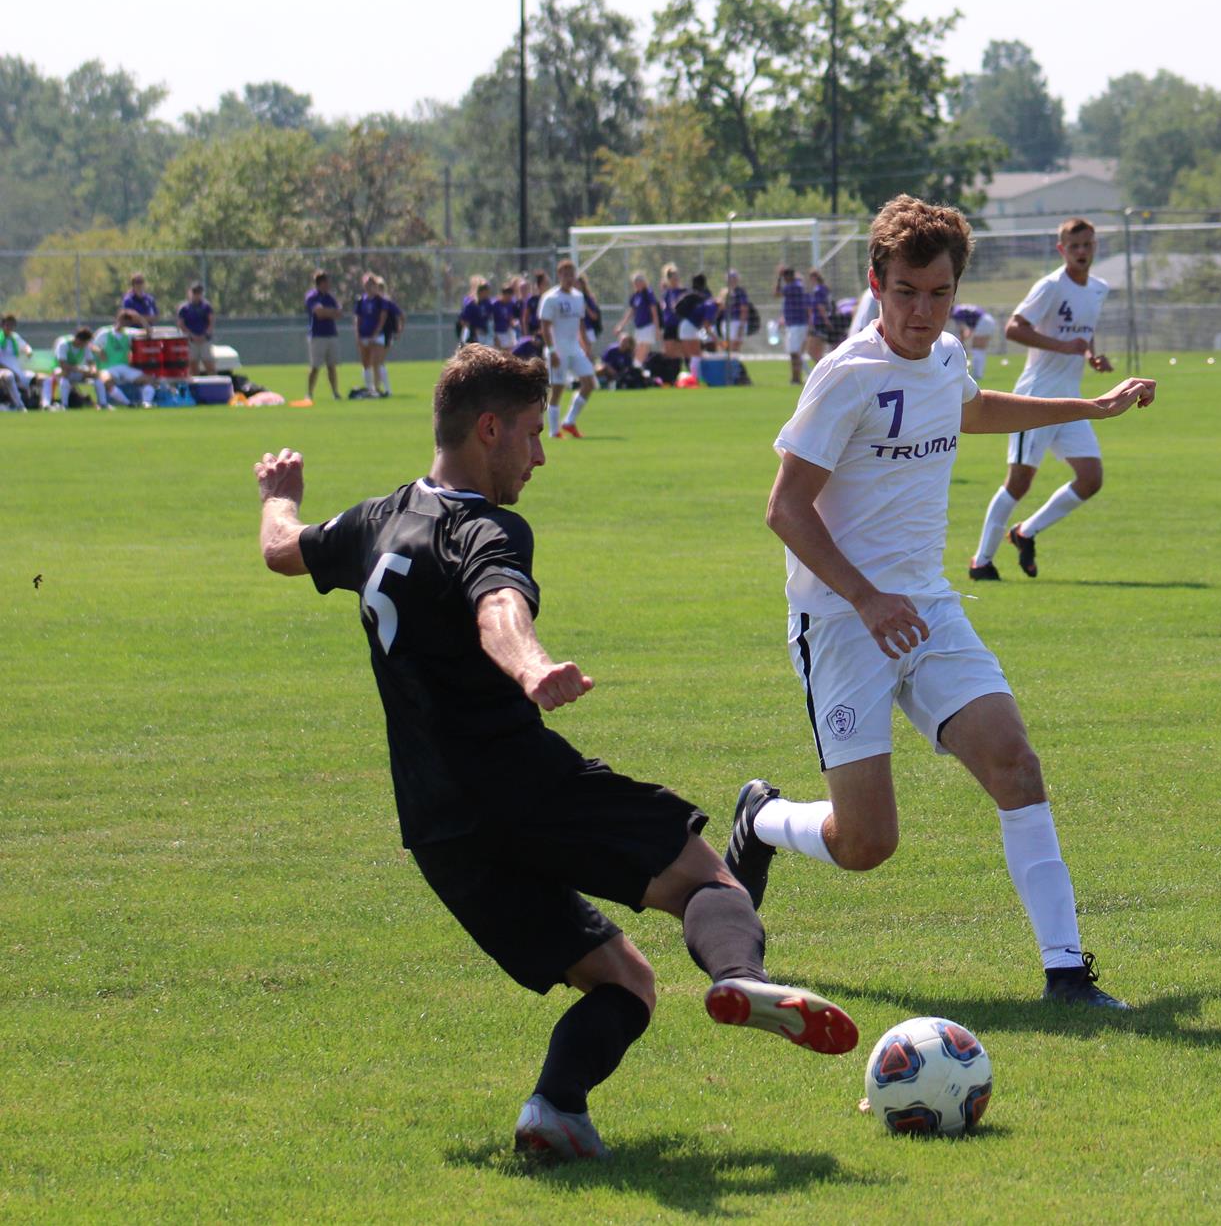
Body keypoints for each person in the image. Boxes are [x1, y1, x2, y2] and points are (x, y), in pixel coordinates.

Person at [252, 345, 857, 1163]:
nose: (540, 455)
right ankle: (738, 975)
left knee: (627, 982)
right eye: (533, 434)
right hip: (523, 784)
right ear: (489, 427)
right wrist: (531, 665)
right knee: (708, 879)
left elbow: (282, 548)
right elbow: (498, 605)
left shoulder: (372, 522)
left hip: (438, 828)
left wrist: (279, 496)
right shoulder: (486, 525)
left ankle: (554, 1109)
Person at [729, 195, 1157, 1009]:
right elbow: (784, 507)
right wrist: (865, 598)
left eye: (938, 293)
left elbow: (972, 409)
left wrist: (1086, 406)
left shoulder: (948, 354)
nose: (922, 312)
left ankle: (1067, 972)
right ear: (876, 284)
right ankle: (764, 820)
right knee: (866, 844)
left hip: (928, 609)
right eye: (905, 293)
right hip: (840, 622)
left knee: (1015, 762)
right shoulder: (846, 377)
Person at [968, 218, 1117, 581]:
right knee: (1019, 482)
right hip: (1034, 398)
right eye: (1075, 246)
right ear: (1061, 250)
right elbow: (1014, 328)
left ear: (1096, 246)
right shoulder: (1050, 286)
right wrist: (1063, 346)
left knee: (1090, 478)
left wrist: (1090, 357)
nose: (1082, 251)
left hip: (1070, 400)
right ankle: (981, 561)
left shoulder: (1098, 288)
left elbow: (1084, 331)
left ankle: (1025, 532)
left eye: (1088, 244)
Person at [539, 259, 595, 440]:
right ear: (559, 275)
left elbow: (580, 323)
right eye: (566, 274)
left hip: (574, 348)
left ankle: (569, 421)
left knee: (589, 383)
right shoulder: (551, 298)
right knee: (557, 390)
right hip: (558, 350)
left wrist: (586, 346)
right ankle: (554, 432)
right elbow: (545, 326)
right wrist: (552, 350)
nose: (569, 278)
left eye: (572, 274)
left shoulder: (578, 297)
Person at [96, 323, 156, 406]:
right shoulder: (104, 332)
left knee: (150, 380)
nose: (124, 321)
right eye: (122, 318)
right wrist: (98, 351)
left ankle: (146, 404)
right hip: (108, 367)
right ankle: (128, 404)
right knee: (107, 382)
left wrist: (138, 318)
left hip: (125, 367)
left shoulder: (129, 333)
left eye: (126, 319)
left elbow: (148, 332)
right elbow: (93, 344)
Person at [305, 270, 343, 403]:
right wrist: (329, 312)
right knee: (315, 367)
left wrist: (327, 312)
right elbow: (319, 313)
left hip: (331, 334)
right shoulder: (312, 296)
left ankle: (335, 392)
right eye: (326, 282)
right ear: (321, 283)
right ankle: (309, 393)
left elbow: (339, 313)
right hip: (317, 336)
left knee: (332, 366)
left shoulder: (330, 297)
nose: (328, 285)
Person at [50, 326, 108, 410]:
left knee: (97, 377)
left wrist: (93, 370)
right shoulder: (64, 344)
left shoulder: (85, 346)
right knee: (64, 375)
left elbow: (91, 362)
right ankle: (64, 405)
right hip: (59, 370)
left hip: (75, 370)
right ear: (79, 340)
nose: (87, 345)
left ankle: (103, 404)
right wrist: (80, 370)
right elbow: (63, 365)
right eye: (86, 342)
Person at [355, 274, 392, 399]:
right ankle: (369, 388)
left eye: (372, 284)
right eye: (367, 284)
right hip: (364, 335)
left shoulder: (380, 301)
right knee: (366, 363)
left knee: (377, 362)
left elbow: (382, 318)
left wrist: (375, 334)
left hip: (377, 336)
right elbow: (358, 319)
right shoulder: (361, 301)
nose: (369, 287)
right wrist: (358, 335)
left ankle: (378, 388)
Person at [775, 264, 811, 385]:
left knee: (795, 352)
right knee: (795, 352)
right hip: (794, 324)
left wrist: (778, 278)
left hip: (797, 324)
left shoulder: (793, 286)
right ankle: (798, 377)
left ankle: (798, 377)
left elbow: (776, 293)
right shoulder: (797, 285)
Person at [616, 272, 661, 361]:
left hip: (647, 326)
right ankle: (637, 368)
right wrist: (621, 325)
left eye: (639, 281)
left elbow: (654, 312)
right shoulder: (635, 296)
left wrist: (657, 328)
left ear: (644, 282)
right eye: (635, 282)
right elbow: (631, 311)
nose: (637, 283)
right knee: (638, 350)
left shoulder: (648, 293)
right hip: (639, 327)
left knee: (644, 349)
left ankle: (638, 369)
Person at [177, 284, 218, 376]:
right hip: (191, 340)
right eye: (195, 292)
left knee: (210, 365)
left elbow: (211, 322)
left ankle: (214, 385)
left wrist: (205, 335)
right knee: (193, 366)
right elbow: (181, 324)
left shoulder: (206, 307)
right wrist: (191, 335)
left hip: (204, 340)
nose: (197, 295)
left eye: (199, 293)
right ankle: (195, 388)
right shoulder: (184, 308)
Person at [951, 302, 997, 381]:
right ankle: (978, 373)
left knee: (977, 349)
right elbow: (970, 330)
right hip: (987, 320)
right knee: (980, 350)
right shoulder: (960, 309)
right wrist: (963, 339)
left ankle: (977, 374)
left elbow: (962, 330)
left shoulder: (956, 313)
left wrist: (960, 342)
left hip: (983, 321)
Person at [0, 315, 31, 411]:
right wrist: (12, 371)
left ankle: (44, 405)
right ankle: (20, 406)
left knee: (41, 379)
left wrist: (28, 351)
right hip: (3, 370)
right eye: (7, 325)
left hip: (17, 371)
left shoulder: (14, 337)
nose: (9, 328)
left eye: (12, 325)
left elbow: (25, 346)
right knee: (9, 376)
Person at [720, 269, 752, 356]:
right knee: (726, 346)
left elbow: (744, 309)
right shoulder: (724, 292)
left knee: (735, 348)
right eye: (729, 278)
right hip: (726, 322)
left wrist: (741, 326)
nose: (731, 280)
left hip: (737, 322)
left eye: (733, 278)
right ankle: (726, 366)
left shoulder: (740, 291)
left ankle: (733, 366)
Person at [807, 268, 834, 359]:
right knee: (814, 351)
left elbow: (820, 306)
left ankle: (823, 371)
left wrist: (826, 321)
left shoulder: (818, 290)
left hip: (820, 323)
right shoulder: (823, 288)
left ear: (814, 278)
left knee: (813, 351)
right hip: (819, 323)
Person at [458, 278, 494, 346]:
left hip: (485, 334)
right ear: (481, 291)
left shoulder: (488, 303)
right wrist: (473, 331)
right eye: (486, 290)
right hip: (474, 336)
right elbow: (464, 321)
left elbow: (490, 318)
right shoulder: (472, 304)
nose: (488, 292)